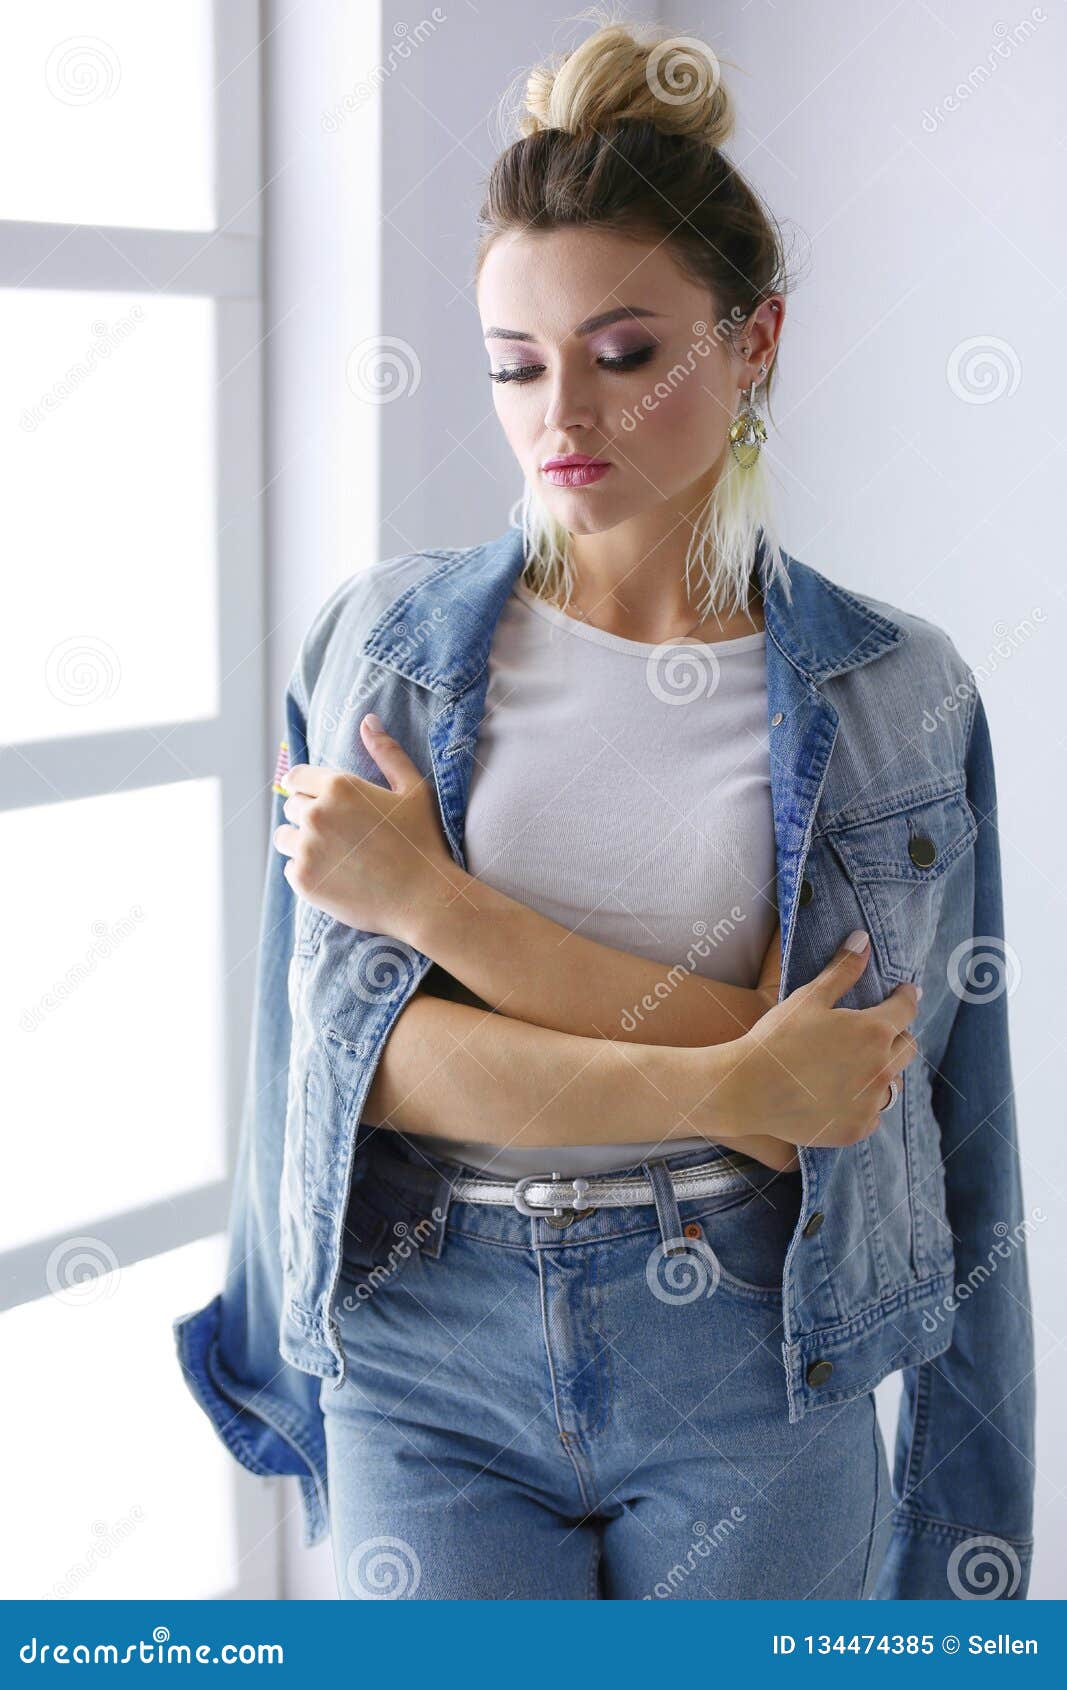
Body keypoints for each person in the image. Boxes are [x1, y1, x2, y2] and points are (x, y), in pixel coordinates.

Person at [174, 17, 1035, 1601]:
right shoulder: (386, 647)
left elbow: (882, 1104)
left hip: (755, 1350)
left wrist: (439, 906)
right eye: (515, 364)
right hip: (425, 1345)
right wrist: (742, 1073)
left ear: (754, 341)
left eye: (627, 353)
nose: (560, 412)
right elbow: (374, 1068)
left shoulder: (899, 692)